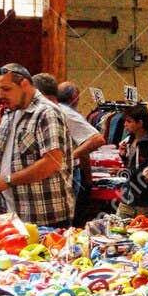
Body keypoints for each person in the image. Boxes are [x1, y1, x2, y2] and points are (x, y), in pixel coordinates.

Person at [0, 64, 74, 229]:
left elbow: (52, 162)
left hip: (43, 216)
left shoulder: (47, 113)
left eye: (6, 89)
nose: (0, 95)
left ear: (24, 84)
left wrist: (8, 181)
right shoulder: (9, 113)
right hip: (9, 214)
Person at [32, 73, 105, 224]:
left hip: (65, 175)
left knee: (61, 221)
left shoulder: (63, 112)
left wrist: (69, 157)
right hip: (51, 175)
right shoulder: (44, 112)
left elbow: (97, 139)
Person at [116, 103, 148, 218]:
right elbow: (131, 166)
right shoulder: (129, 140)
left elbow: (146, 170)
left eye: (129, 121)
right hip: (127, 196)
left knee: (143, 231)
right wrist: (123, 156)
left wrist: (123, 171)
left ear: (140, 123)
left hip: (144, 199)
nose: (125, 125)